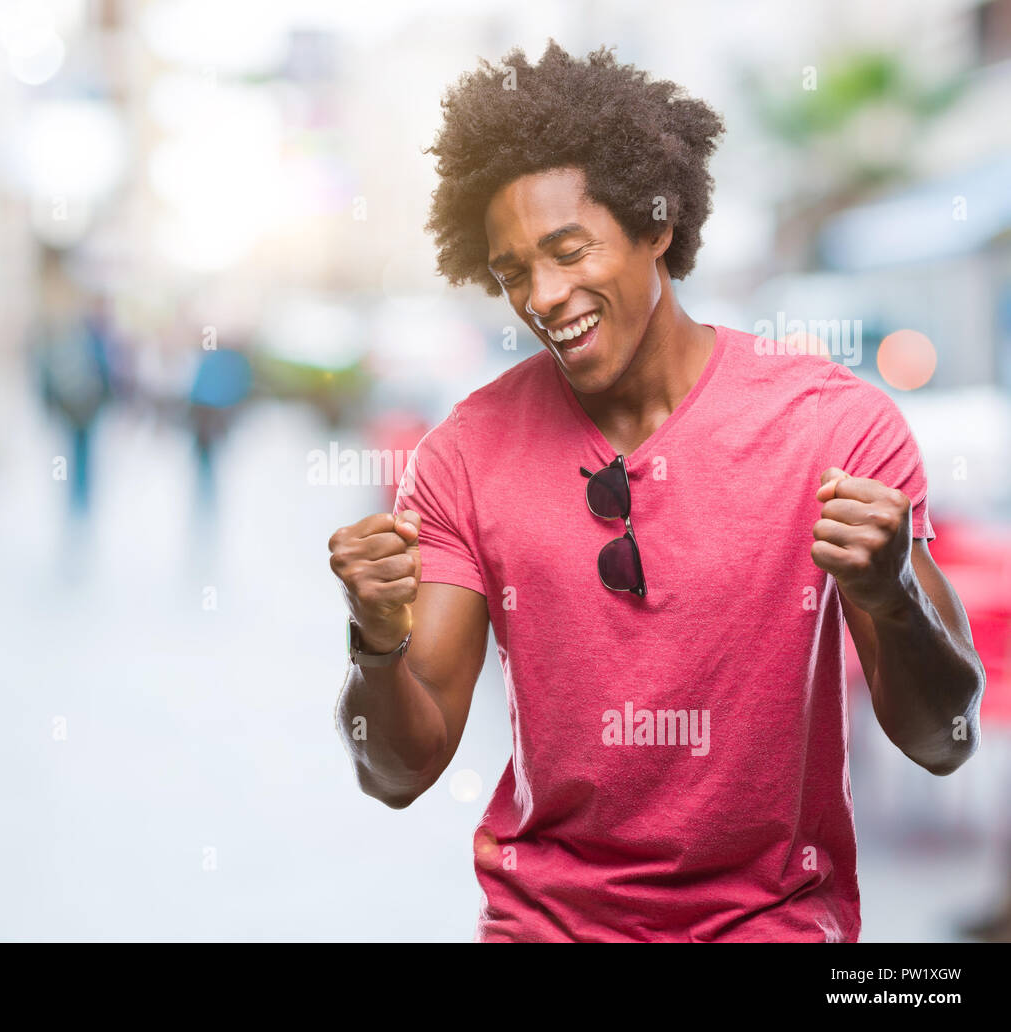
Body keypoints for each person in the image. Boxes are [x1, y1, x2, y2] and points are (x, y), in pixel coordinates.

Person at [328, 43, 986, 943]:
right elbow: (397, 773)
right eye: (514, 270)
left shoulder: (835, 430)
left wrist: (891, 597)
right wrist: (373, 639)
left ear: (656, 225)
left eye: (569, 250)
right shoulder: (463, 456)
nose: (545, 297)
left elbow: (944, 741)